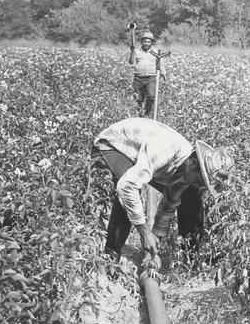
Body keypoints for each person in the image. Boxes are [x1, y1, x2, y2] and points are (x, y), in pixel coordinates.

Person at [91, 117, 234, 262]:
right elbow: (126, 187)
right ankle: (110, 254)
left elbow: (169, 204)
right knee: (130, 191)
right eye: (200, 180)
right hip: (113, 146)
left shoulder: (186, 169)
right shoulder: (164, 151)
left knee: (190, 195)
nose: (198, 184)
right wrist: (145, 233)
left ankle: (190, 258)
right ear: (192, 163)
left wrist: (154, 240)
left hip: (139, 155)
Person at [129, 29, 166, 117]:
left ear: (151, 43)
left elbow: (161, 64)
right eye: (144, 41)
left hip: (151, 78)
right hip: (138, 78)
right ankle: (138, 115)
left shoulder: (156, 52)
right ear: (142, 42)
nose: (146, 43)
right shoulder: (137, 51)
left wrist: (164, 74)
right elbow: (131, 62)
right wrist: (132, 52)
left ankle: (146, 113)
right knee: (138, 98)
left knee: (151, 96)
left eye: (148, 42)